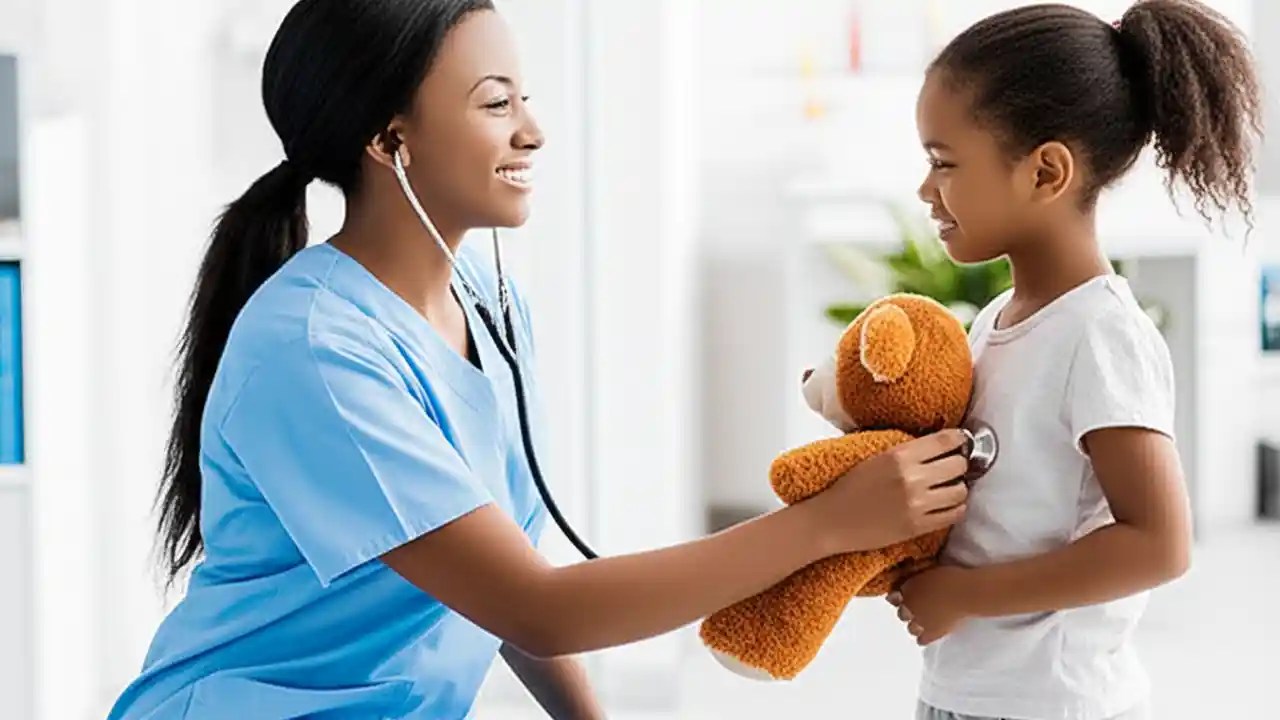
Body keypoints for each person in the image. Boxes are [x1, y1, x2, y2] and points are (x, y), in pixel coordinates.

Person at [105, 1, 974, 718]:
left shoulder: (488, 303)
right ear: (389, 140)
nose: (534, 132)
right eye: (495, 104)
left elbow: (509, 579)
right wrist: (826, 524)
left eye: (525, 99)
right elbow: (534, 607)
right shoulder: (315, 351)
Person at [891, 1, 1262, 719]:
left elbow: (1158, 545)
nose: (925, 189)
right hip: (965, 692)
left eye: (943, 163)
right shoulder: (1000, 319)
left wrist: (966, 595)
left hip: (1050, 704)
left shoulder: (1100, 335)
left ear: (1045, 172)